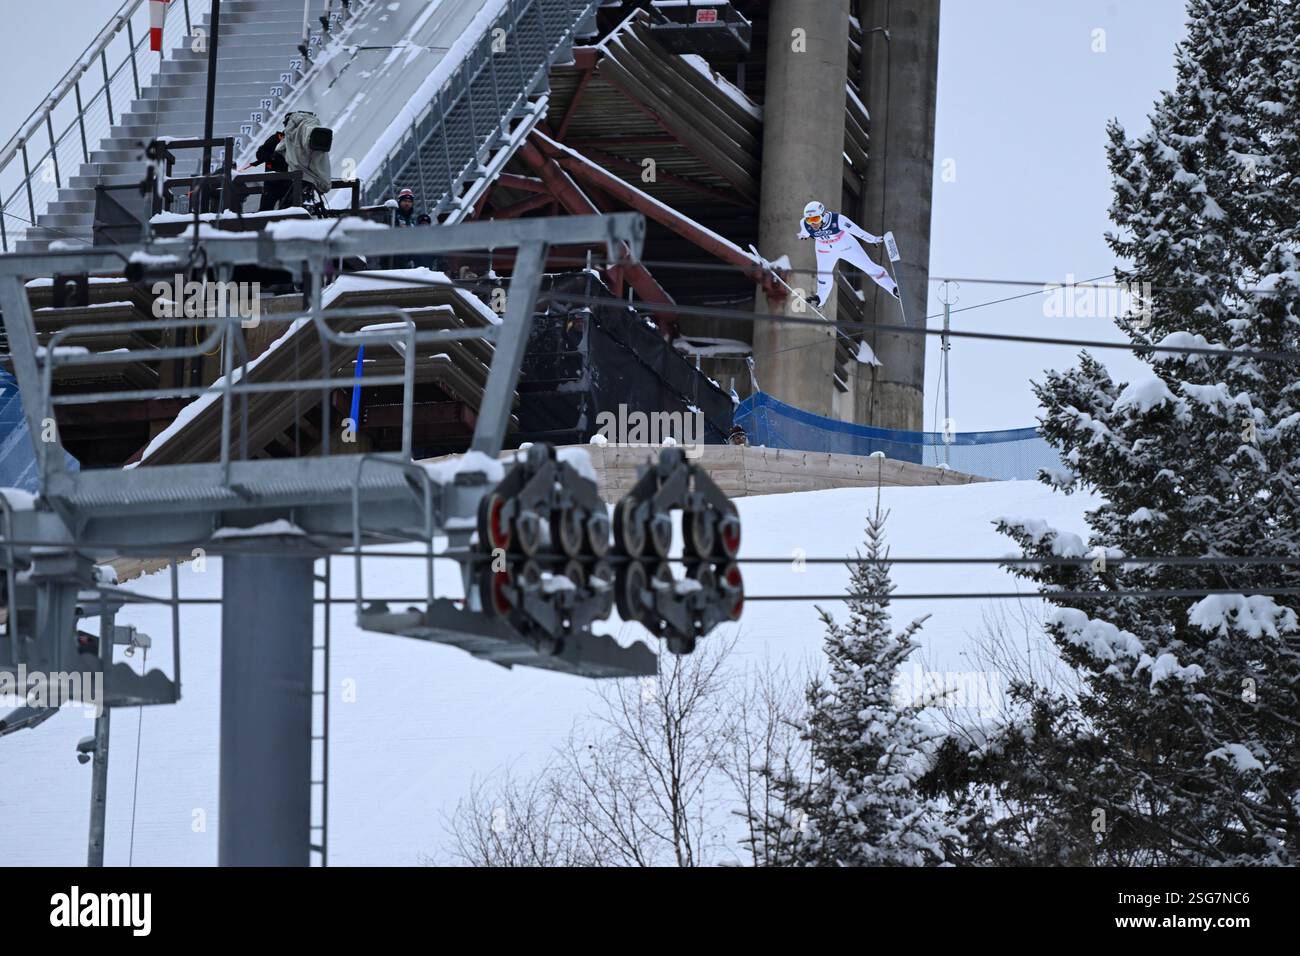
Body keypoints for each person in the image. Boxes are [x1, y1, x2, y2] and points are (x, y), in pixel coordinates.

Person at [796, 200, 898, 307]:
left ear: (824, 215)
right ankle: (820, 299)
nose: (813, 223)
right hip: (824, 250)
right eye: (809, 220)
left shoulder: (838, 220)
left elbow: (857, 231)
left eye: (816, 219)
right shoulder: (804, 224)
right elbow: (804, 233)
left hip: (845, 246)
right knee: (823, 274)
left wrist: (873, 239)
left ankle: (893, 289)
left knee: (869, 267)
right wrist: (802, 236)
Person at [244, 129, 289, 211]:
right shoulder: (277, 138)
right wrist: (272, 157)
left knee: (288, 212)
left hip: (289, 183)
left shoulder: (298, 140)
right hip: (272, 182)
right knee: (265, 210)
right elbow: (260, 153)